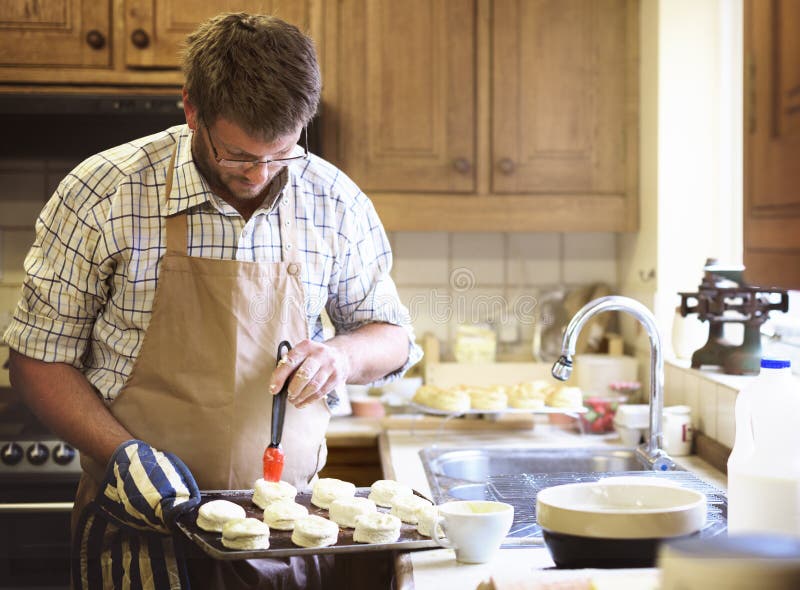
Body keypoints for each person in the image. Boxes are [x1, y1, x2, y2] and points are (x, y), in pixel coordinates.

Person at [3, 12, 421, 590]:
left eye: (280, 154)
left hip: (284, 539)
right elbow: (34, 362)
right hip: (137, 536)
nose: (260, 173)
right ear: (191, 110)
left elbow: (393, 334)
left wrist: (342, 357)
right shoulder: (103, 193)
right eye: (238, 156)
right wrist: (121, 453)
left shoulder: (335, 201)